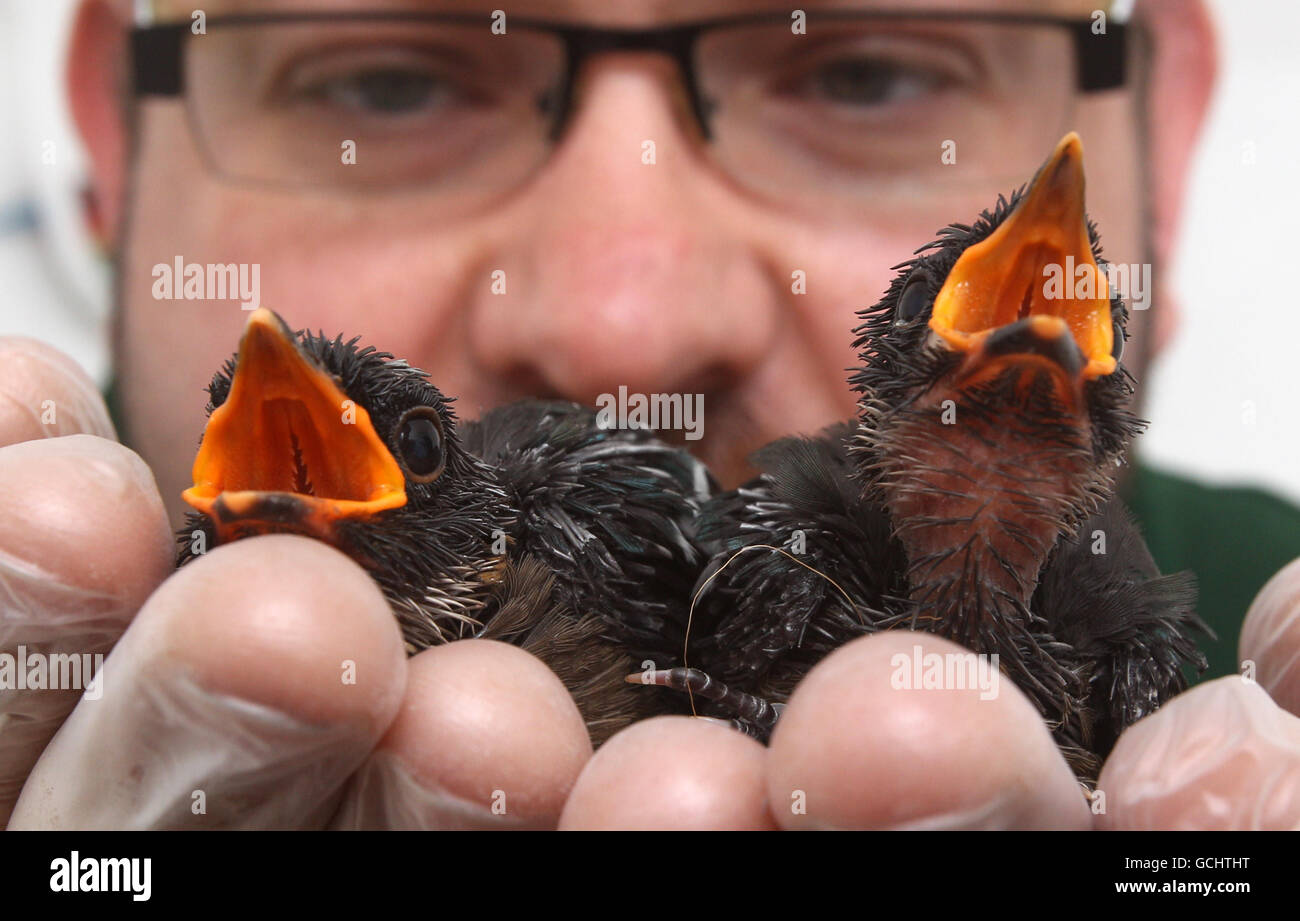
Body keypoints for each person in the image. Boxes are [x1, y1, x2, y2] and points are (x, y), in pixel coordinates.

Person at [1, 0, 1298, 830]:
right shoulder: (46, 560)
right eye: (385, 83)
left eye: (869, 75)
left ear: (1169, 148)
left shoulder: (1219, 649)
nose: (625, 324)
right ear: (112, 137)